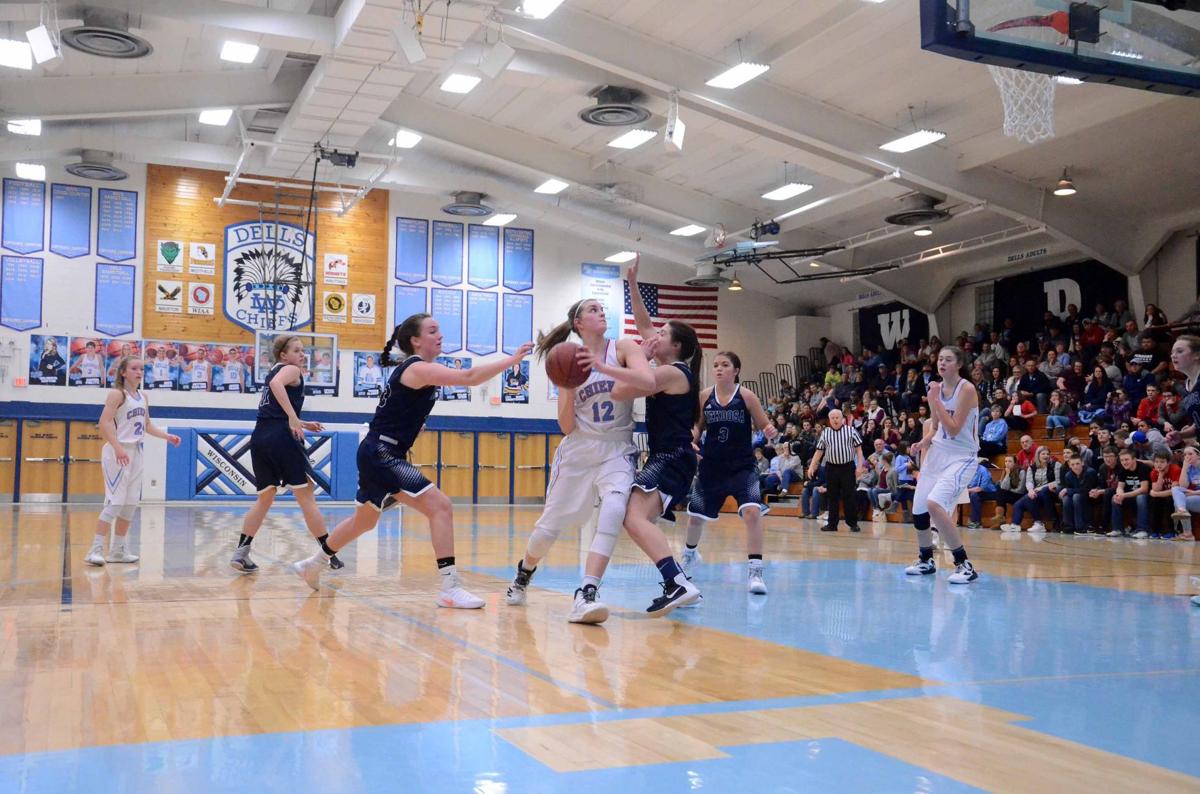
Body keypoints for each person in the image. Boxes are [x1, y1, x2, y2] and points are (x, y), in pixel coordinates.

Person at [293, 315, 534, 608]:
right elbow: (469, 377)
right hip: (382, 453)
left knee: (364, 521)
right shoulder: (417, 367)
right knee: (440, 506)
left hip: (377, 451)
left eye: (439, 329)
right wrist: (513, 360)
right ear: (416, 341)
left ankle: (313, 564)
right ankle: (450, 587)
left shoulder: (417, 371)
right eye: (432, 331)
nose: (440, 335)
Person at [500, 297, 654, 623]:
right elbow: (567, 426)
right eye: (593, 309)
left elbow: (647, 382)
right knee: (549, 527)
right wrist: (568, 386)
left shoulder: (623, 348)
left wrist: (611, 367)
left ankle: (586, 592)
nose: (602, 312)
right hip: (579, 450)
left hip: (617, 447)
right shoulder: (568, 359)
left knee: (613, 510)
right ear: (579, 323)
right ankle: (524, 572)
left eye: (602, 308)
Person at [231, 335, 344, 574]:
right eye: (297, 350)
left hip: (260, 437)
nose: (302, 355)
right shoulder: (291, 370)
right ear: (283, 355)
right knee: (306, 496)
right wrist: (293, 418)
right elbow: (277, 387)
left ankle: (241, 553)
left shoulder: (273, 371)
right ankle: (329, 555)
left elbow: (274, 411)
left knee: (265, 498)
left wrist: (301, 422)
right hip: (282, 438)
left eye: (303, 350)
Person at [680, 351, 778, 594]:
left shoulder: (746, 396)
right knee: (695, 517)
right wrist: (692, 441)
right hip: (712, 466)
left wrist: (770, 430)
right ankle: (690, 555)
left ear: (736, 371)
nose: (719, 368)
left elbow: (764, 424)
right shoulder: (705, 396)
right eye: (716, 365)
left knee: (752, 513)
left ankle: (755, 572)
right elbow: (697, 427)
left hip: (742, 467)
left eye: (725, 365)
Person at [84, 356, 181, 566]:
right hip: (117, 451)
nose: (139, 372)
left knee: (129, 504)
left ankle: (118, 551)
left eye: (141, 369)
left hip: (136, 451)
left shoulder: (143, 396)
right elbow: (104, 422)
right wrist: (118, 447)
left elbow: (147, 425)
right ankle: (95, 549)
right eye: (134, 368)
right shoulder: (117, 394)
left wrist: (167, 436)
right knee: (115, 502)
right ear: (123, 372)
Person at [904, 346, 981, 583]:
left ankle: (964, 565)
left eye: (948, 359)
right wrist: (923, 442)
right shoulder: (935, 390)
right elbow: (936, 428)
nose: (942, 363)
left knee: (934, 504)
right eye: (940, 359)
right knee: (919, 509)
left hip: (961, 457)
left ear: (959, 364)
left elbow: (954, 428)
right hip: (937, 454)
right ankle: (926, 560)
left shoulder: (966, 389)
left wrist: (936, 399)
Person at [807, 409, 866, 533]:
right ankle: (832, 524)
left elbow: (859, 450)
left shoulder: (851, 431)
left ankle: (853, 523)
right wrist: (812, 466)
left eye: (837, 417)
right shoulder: (826, 433)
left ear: (842, 419)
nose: (835, 420)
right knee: (832, 496)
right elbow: (819, 451)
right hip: (831, 468)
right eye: (832, 418)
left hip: (847, 467)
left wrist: (859, 467)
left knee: (849, 495)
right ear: (829, 420)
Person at [1110, 448, 1151, 539]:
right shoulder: (1122, 469)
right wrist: (1119, 494)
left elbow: (1144, 489)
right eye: (1122, 460)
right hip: (1130, 496)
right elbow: (1120, 487)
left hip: (1146, 497)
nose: (1124, 462)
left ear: (1134, 459)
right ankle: (1118, 529)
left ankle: (1142, 530)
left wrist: (1124, 495)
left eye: (1126, 459)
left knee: (1140, 498)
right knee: (1114, 497)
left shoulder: (1142, 468)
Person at [964, 460, 997, 529]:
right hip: (976, 491)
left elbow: (980, 488)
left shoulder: (983, 471)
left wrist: (966, 491)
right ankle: (958, 520)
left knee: (974, 496)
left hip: (990, 492)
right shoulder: (969, 471)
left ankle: (976, 521)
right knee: (961, 495)